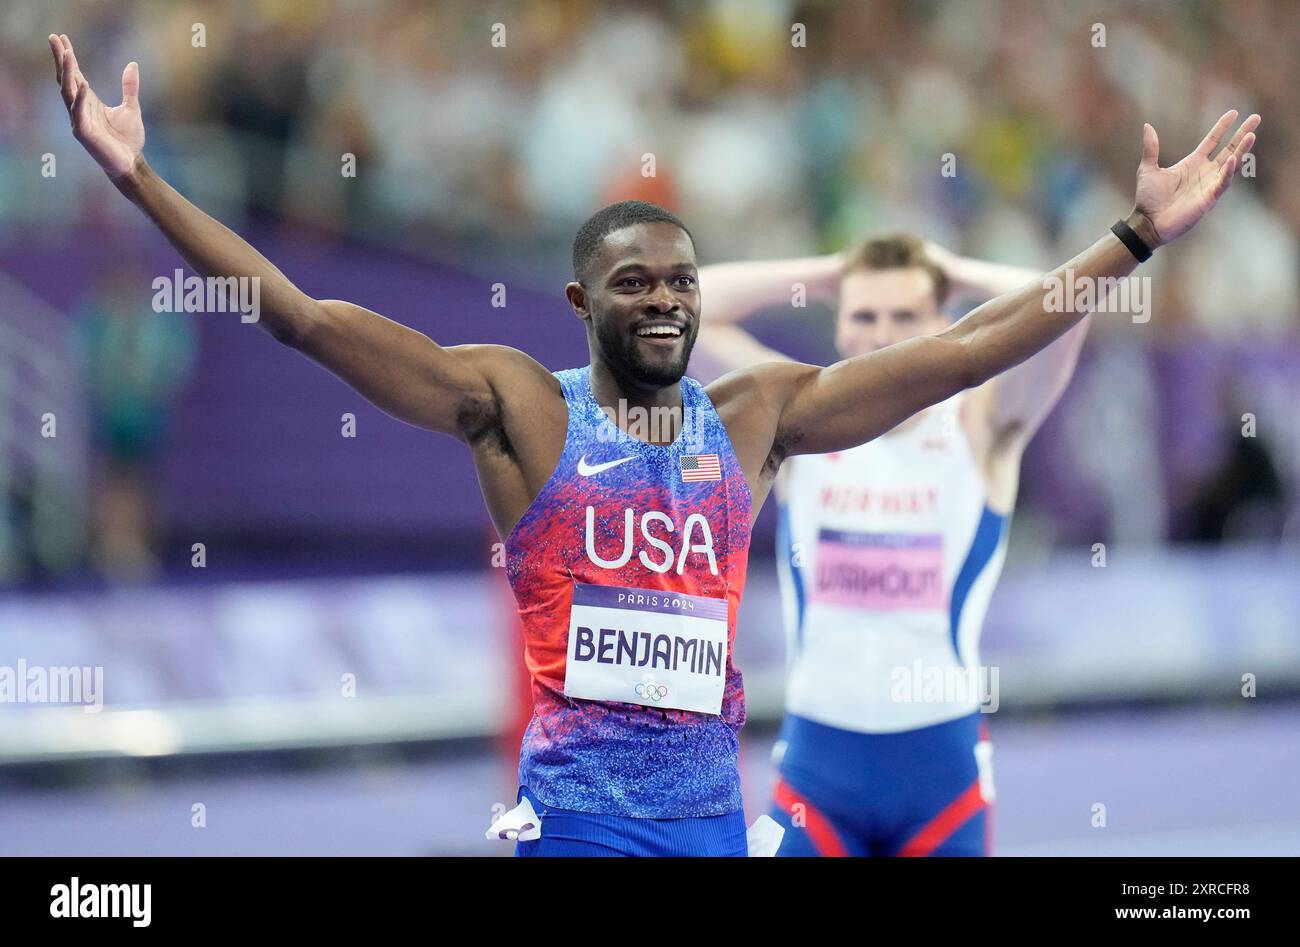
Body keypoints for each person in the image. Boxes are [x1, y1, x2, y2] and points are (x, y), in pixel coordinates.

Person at [49, 33, 1258, 857]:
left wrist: (1130, 241)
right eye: (636, 283)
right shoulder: (520, 406)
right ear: (583, 305)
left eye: (684, 281)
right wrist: (142, 177)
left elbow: (960, 355)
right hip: (573, 824)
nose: (669, 300)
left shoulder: (756, 415)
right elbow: (302, 316)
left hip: (707, 828)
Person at [692, 237, 1071, 856]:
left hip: (940, 778)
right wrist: (826, 273)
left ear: (945, 325)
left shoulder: (983, 425)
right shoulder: (793, 423)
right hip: (818, 772)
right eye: (864, 316)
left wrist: (958, 271)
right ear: (838, 328)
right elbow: (691, 310)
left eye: (906, 317)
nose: (883, 335)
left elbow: (1069, 307)